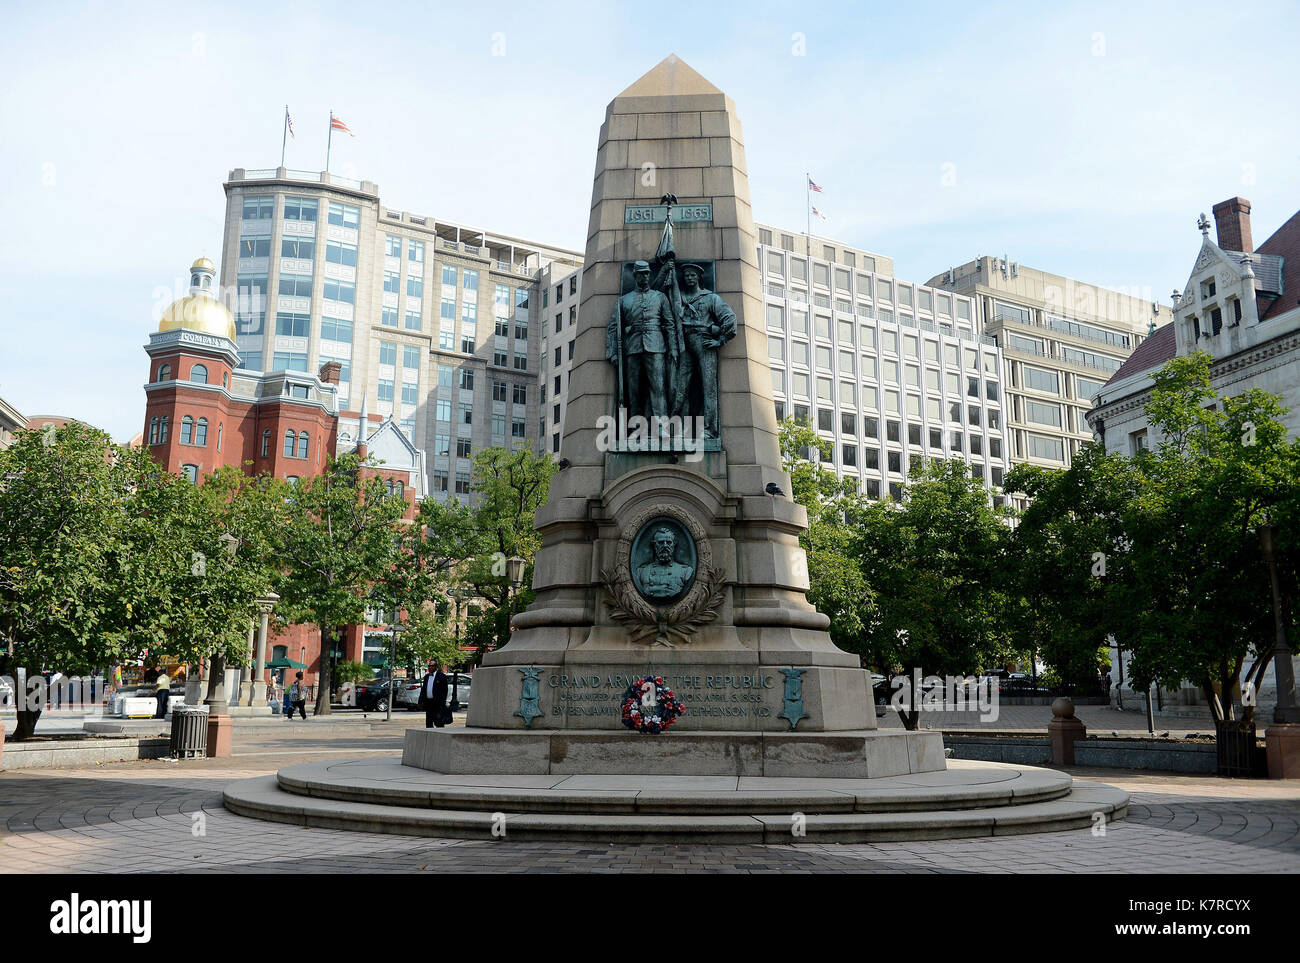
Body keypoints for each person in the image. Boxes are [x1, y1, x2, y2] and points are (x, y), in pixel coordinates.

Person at [607, 260, 678, 421]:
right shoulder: (624, 300)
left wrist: (673, 347)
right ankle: (636, 427)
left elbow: (669, 324)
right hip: (633, 348)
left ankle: (661, 425)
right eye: (641, 273)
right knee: (634, 391)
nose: (645, 276)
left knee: (658, 387)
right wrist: (612, 353)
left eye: (647, 273)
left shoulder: (660, 297)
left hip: (656, 346)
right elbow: (613, 327)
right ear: (635, 275)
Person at [418, 663, 449, 729]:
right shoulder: (426, 677)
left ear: (436, 667)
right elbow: (423, 690)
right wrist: (420, 702)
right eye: (429, 666)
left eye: (432, 666)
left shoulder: (441, 676)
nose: (430, 668)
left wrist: (442, 703)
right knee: (428, 722)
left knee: (439, 723)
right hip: (428, 703)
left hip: (438, 703)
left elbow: (444, 691)